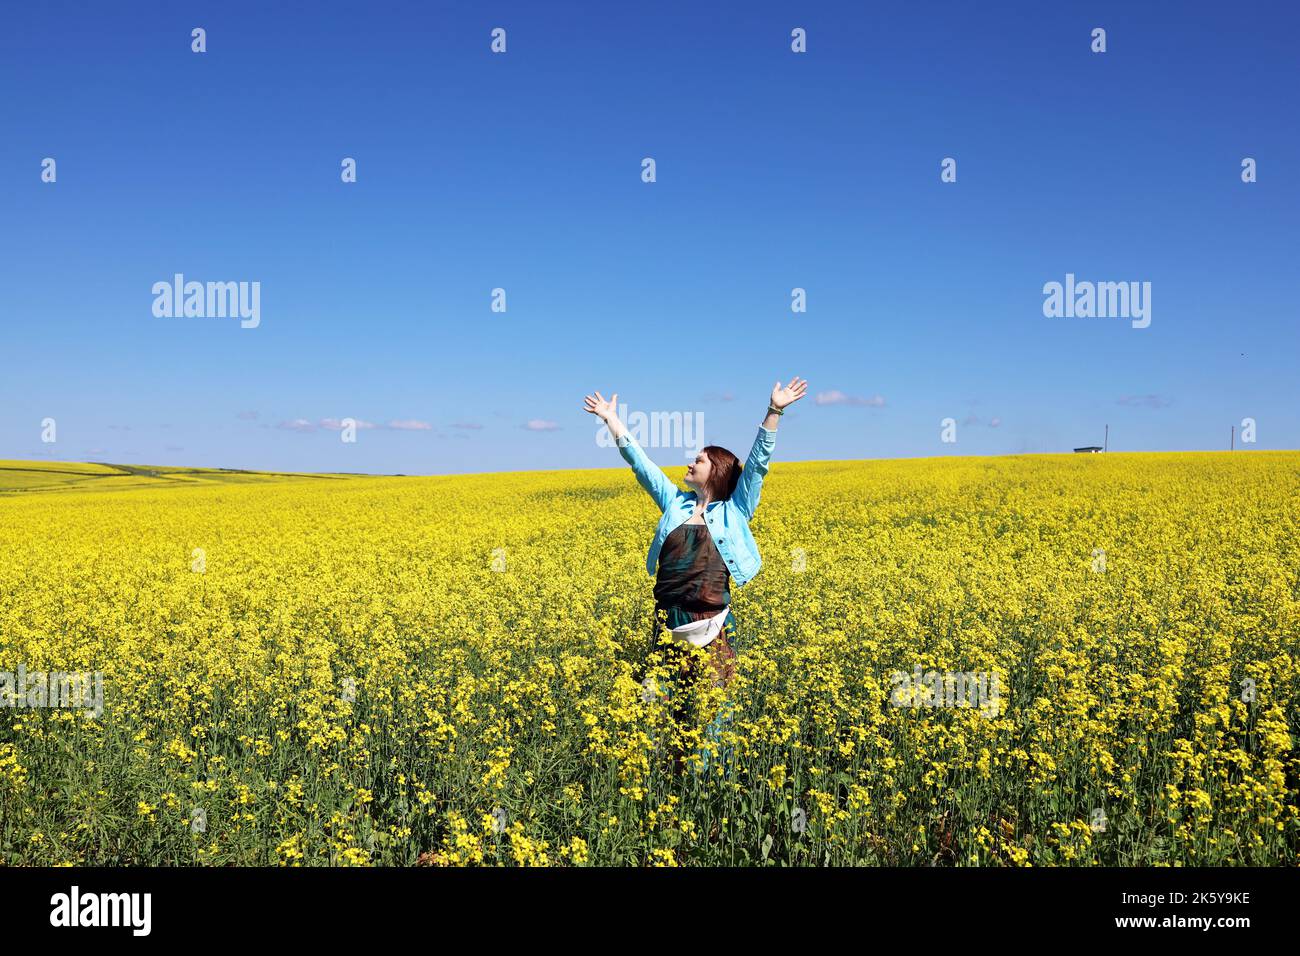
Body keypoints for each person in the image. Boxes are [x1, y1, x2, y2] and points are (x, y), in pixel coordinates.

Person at [583, 377, 809, 775]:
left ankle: (705, 790)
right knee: (654, 710)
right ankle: (654, 785)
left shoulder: (735, 510)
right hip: (667, 622)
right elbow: (641, 464)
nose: (690, 463)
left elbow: (757, 465)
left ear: (717, 471)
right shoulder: (673, 503)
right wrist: (611, 420)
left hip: (714, 626)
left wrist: (775, 411)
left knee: (712, 716)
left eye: (699, 460)